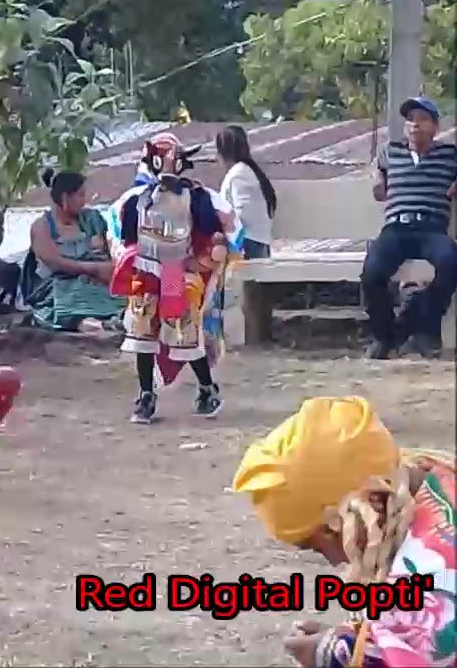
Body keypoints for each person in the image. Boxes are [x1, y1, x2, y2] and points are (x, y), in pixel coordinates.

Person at [232, 396, 454, 668]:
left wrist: (337, 657)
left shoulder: (430, 580)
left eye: (321, 543)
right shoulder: (439, 480)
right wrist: (351, 641)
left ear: (365, 507)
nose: (335, 560)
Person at [112, 133, 234, 424]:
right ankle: (146, 394)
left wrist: (204, 259)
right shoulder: (137, 199)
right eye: (162, 158)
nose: (167, 165)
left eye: (172, 158)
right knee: (143, 331)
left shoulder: (196, 196)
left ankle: (207, 388)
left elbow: (213, 237)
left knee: (183, 330)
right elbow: (128, 237)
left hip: (175, 271)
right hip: (146, 268)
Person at [363, 96, 457, 360]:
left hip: (431, 229)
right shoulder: (392, 152)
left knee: (451, 261)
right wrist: (376, 177)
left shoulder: (449, 154)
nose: (415, 125)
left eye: (422, 119)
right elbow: (376, 167)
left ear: (435, 127)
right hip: (396, 228)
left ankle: (424, 330)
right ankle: (384, 336)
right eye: (410, 120)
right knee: (372, 272)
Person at [27, 168, 126, 331]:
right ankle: (91, 324)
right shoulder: (42, 227)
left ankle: (113, 319)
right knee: (73, 293)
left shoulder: (92, 220)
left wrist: (107, 267)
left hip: (95, 279)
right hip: (59, 284)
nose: (84, 200)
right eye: (80, 195)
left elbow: (109, 250)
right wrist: (93, 268)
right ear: (65, 197)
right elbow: (55, 264)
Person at [216, 125, 278, 260]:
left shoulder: (238, 174)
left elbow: (242, 214)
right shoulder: (248, 171)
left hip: (248, 244)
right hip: (258, 242)